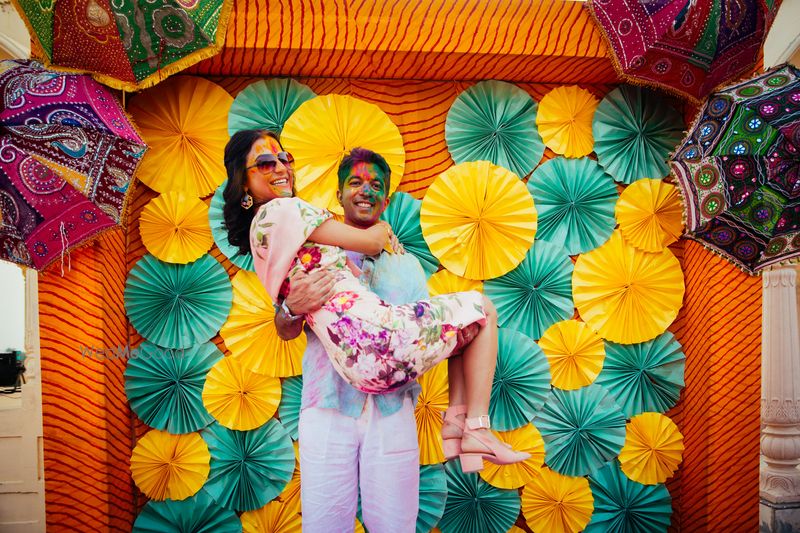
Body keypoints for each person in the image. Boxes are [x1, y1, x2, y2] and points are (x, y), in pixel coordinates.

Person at [222, 130, 529, 478]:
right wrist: (381, 233)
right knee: (483, 308)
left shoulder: (267, 239)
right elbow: (371, 241)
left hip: (361, 368)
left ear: (386, 198)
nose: (280, 167)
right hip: (369, 350)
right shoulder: (282, 209)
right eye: (265, 163)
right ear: (243, 182)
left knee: (465, 330)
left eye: (285, 159)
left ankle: (459, 429)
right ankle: (475, 427)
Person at [272, 147, 441, 532]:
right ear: (339, 194)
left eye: (376, 185)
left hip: (392, 409)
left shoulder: (408, 265)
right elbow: (285, 329)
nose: (366, 191)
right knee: (324, 522)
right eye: (356, 182)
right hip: (327, 405)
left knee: (396, 523)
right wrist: (291, 308)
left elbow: (424, 334)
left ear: (387, 199)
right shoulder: (314, 253)